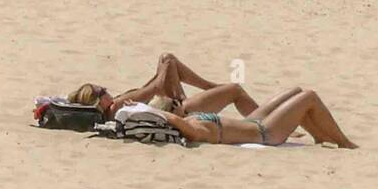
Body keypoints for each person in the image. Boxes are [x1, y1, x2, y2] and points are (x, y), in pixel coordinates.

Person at [68, 53, 261, 119]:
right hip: (182, 112)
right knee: (235, 90)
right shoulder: (116, 105)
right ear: (98, 102)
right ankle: (262, 121)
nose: (106, 89)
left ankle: (210, 87)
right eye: (102, 91)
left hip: (171, 106)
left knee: (167, 58)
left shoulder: (114, 106)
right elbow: (156, 87)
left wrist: (165, 67)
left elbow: (153, 86)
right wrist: (166, 71)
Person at [162, 87, 357, 148]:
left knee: (296, 91)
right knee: (309, 97)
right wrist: (161, 114)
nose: (181, 103)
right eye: (175, 104)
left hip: (252, 122)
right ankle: (344, 143)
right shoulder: (195, 130)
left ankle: (319, 137)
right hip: (265, 133)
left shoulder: (190, 117)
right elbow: (180, 124)